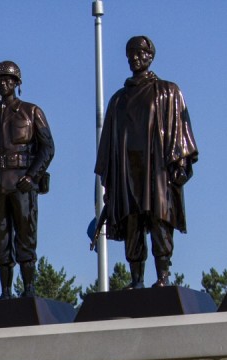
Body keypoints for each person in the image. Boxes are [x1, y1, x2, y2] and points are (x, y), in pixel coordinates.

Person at [95, 35, 198, 289]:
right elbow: (108, 144)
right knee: (132, 222)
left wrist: (180, 165)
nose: (135, 57)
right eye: (131, 53)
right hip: (127, 171)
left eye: (140, 52)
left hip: (157, 170)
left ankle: (163, 276)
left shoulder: (168, 91)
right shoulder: (118, 100)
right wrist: (109, 183)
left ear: (150, 56)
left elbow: (180, 129)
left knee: (159, 219)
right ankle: (136, 279)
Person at [0, 60, 55, 299]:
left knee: (26, 234)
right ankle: (5, 291)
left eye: (8, 80)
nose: (3, 84)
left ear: (17, 83)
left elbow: (47, 148)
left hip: (22, 183)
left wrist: (32, 175)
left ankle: (28, 288)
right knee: (1, 236)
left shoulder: (31, 111)